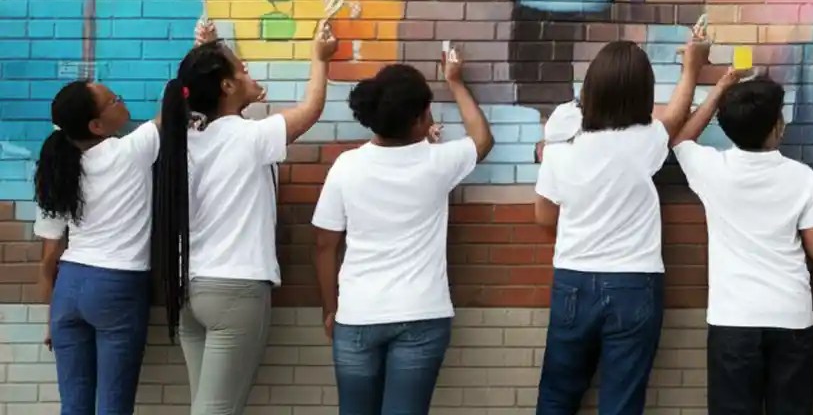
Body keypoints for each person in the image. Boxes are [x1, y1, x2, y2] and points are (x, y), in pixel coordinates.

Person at [152, 22, 338, 415]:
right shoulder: (250, 137)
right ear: (225, 87)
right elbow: (312, 109)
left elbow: (194, 99)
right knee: (216, 410)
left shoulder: (185, 138)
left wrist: (204, 52)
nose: (250, 71)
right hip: (235, 291)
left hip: (190, 289)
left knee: (204, 405)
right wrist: (319, 59)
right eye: (243, 70)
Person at [532, 30, 710, 415]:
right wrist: (692, 69)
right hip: (635, 282)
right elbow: (677, 116)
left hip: (573, 280)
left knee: (557, 395)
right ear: (643, 94)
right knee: (622, 402)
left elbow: (544, 217)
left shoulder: (560, 152)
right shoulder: (645, 141)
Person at [312, 53, 494, 415]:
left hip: (358, 314)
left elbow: (324, 244)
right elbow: (482, 139)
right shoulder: (437, 162)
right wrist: (456, 81)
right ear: (418, 120)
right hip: (422, 315)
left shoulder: (347, 167)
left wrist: (331, 309)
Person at [671, 72, 813, 415]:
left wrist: (720, 89)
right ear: (777, 127)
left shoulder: (711, 168)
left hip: (733, 319)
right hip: (791, 316)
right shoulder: (801, 176)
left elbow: (681, 138)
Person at [33, 80, 157, 414]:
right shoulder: (131, 150)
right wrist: (203, 45)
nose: (121, 100)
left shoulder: (57, 169)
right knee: (113, 406)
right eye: (113, 99)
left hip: (68, 291)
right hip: (117, 287)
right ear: (96, 126)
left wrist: (52, 319)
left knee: (74, 406)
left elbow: (49, 258)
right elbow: (178, 105)